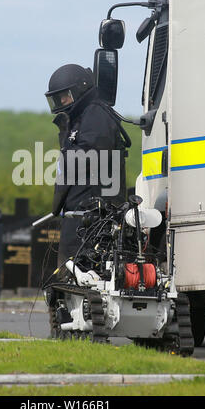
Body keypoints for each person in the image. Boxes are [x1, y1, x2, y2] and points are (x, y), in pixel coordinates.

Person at [45, 63, 130, 268]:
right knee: (69, 281)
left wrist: (66, 140)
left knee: (82, 276)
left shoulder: (95, 114)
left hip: (92, 222)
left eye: (65, 96)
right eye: (58, 98)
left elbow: (85, 158)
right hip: (82, 219)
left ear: (80, 89)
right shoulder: (82, 117)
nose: (62, 102)